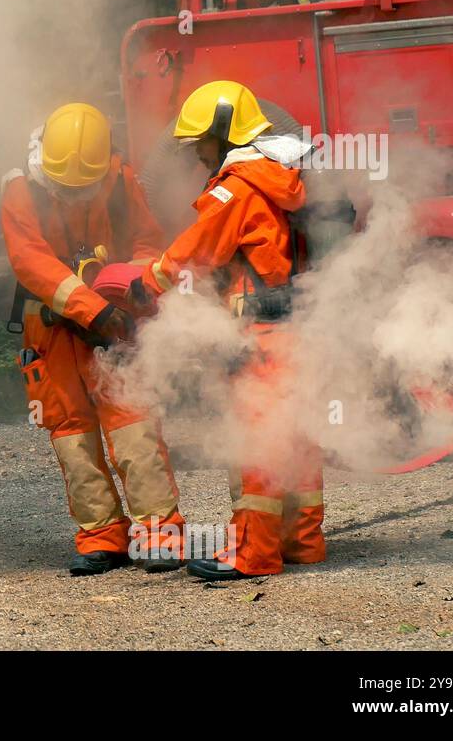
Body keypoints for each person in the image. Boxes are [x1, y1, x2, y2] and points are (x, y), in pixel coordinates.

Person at [138, 80, 325, 580]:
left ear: (222, 134)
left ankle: (254, 553)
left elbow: (195, 254)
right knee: (294, 435)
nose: (197, 153)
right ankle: (302, 541)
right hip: (294, 327)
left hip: (259, 331)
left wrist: (145, 283)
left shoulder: (236, 187)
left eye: (200, 142)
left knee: (256, 442)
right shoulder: (278, 175)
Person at [1, 102, 185, 575]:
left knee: (133, 424)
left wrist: (132, 287)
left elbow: (147, 240)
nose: (78, 194)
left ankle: (159, 533)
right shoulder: (20, 191)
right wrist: (92, 308)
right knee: (71, 432)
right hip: (55, 329)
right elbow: (32, 263)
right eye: (68, 187)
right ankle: (100, 534)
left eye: (87, 186)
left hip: (115, 318)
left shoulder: (121, 181)